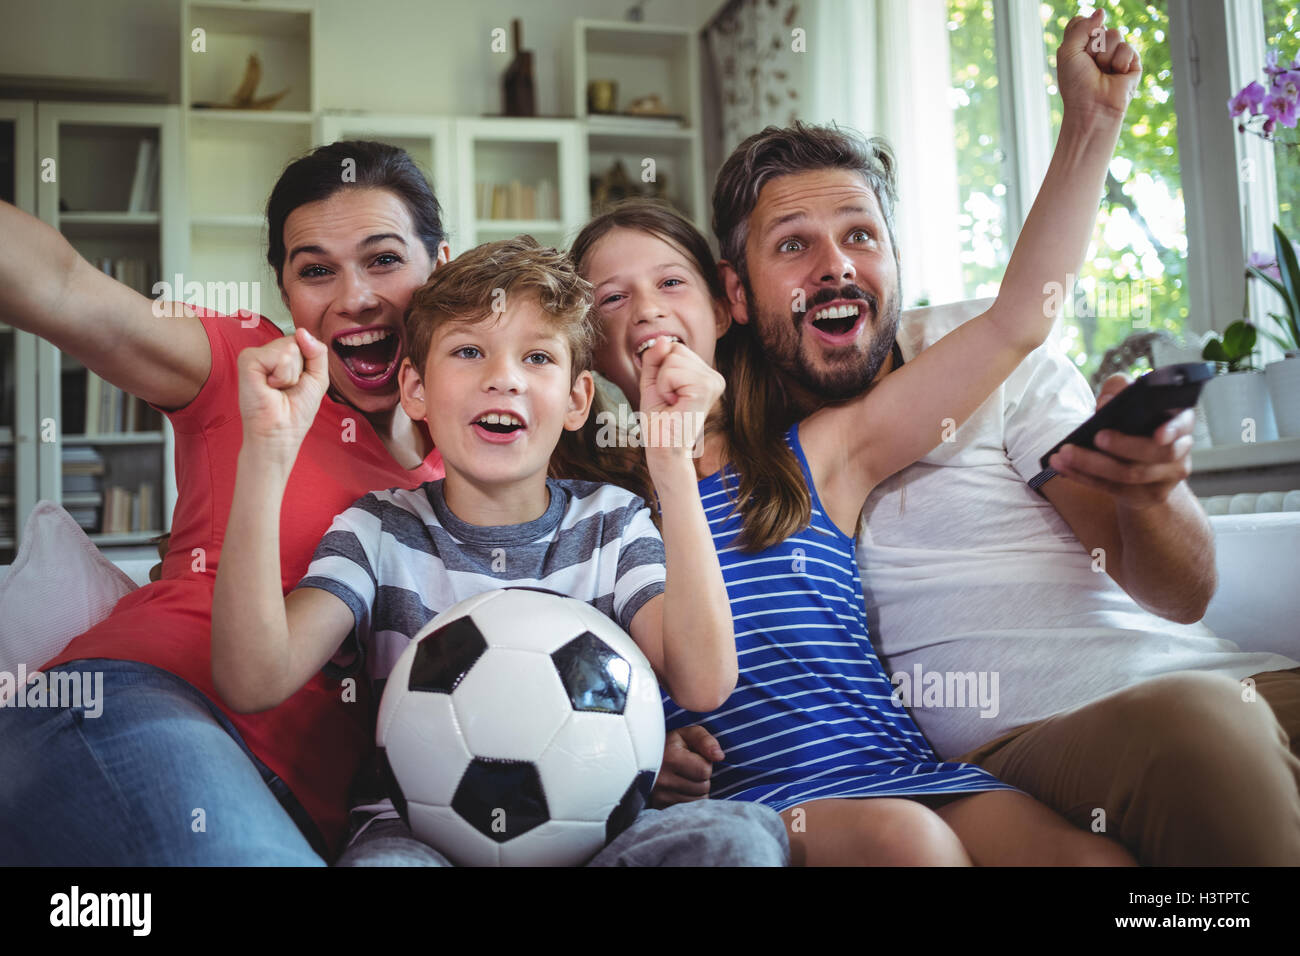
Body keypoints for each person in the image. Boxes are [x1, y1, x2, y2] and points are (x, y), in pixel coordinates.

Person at [654, 12, 1300, 865]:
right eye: (794, 246)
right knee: (1200, 727)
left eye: (860, 237)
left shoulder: (986, 355)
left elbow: (1179, 596)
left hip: (1238, 686)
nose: (838, 266)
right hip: (1060, 738)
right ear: (736, 294)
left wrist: (1149, 494)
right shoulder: (746, 461)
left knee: (1211, 718)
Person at [565, 11, 1140, 866]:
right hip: (768, 799)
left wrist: (1091, 126)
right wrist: (640, 754)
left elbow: (1019, 319)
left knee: (1099, 865)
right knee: (910, 846)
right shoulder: (591, 513)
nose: (645, 307)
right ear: (584, 351)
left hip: (899, 764)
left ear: (726, 306)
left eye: (669, 282)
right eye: (610, 298)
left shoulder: (818, 452)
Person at [210, 235, 788, 866]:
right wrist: (266, 454)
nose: (503, 379)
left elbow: (705, 683)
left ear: (576, 400)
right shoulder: (377, 531)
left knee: (741, 837)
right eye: (468, 352)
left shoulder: (612, 522)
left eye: (537, 357)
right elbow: (252, 679)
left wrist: (670, 461)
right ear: (415, 389)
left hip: (602, 837)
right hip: (417, 841)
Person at [0, 141, 450, 864]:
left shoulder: (468, 464)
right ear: (285, 292)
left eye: (384, 259)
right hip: (141, 708)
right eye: (315, 271)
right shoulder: (247, 368)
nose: (354, 296)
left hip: (312, 814)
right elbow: (59, 286)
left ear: (442, 267)